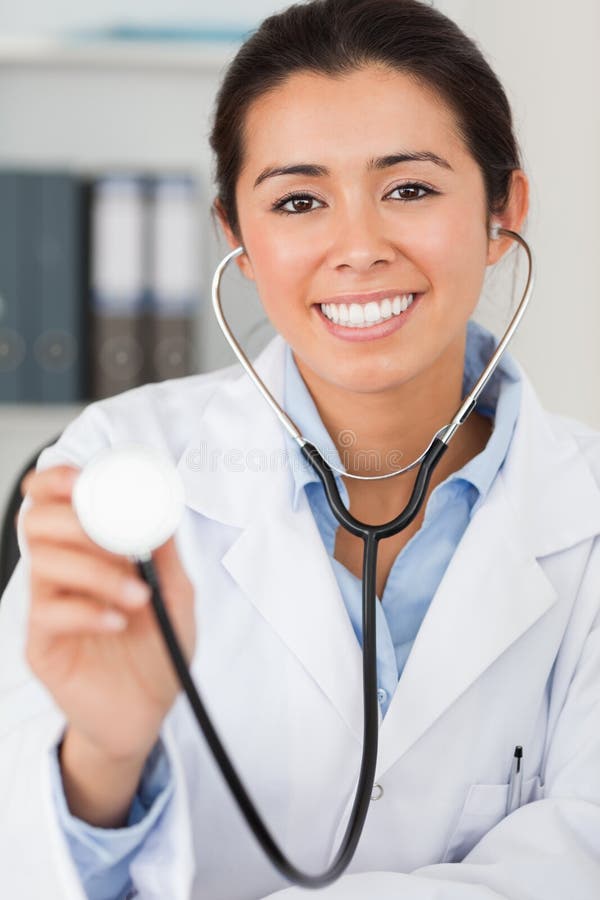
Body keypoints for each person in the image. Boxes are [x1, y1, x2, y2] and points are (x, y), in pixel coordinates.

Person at [1, 0, 599, 897]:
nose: (357, 247)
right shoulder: (117, 464)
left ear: (503, 208)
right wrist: (105, 756)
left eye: (409, 188)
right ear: (237, 238)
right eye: (298, 200)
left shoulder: (585, 510)